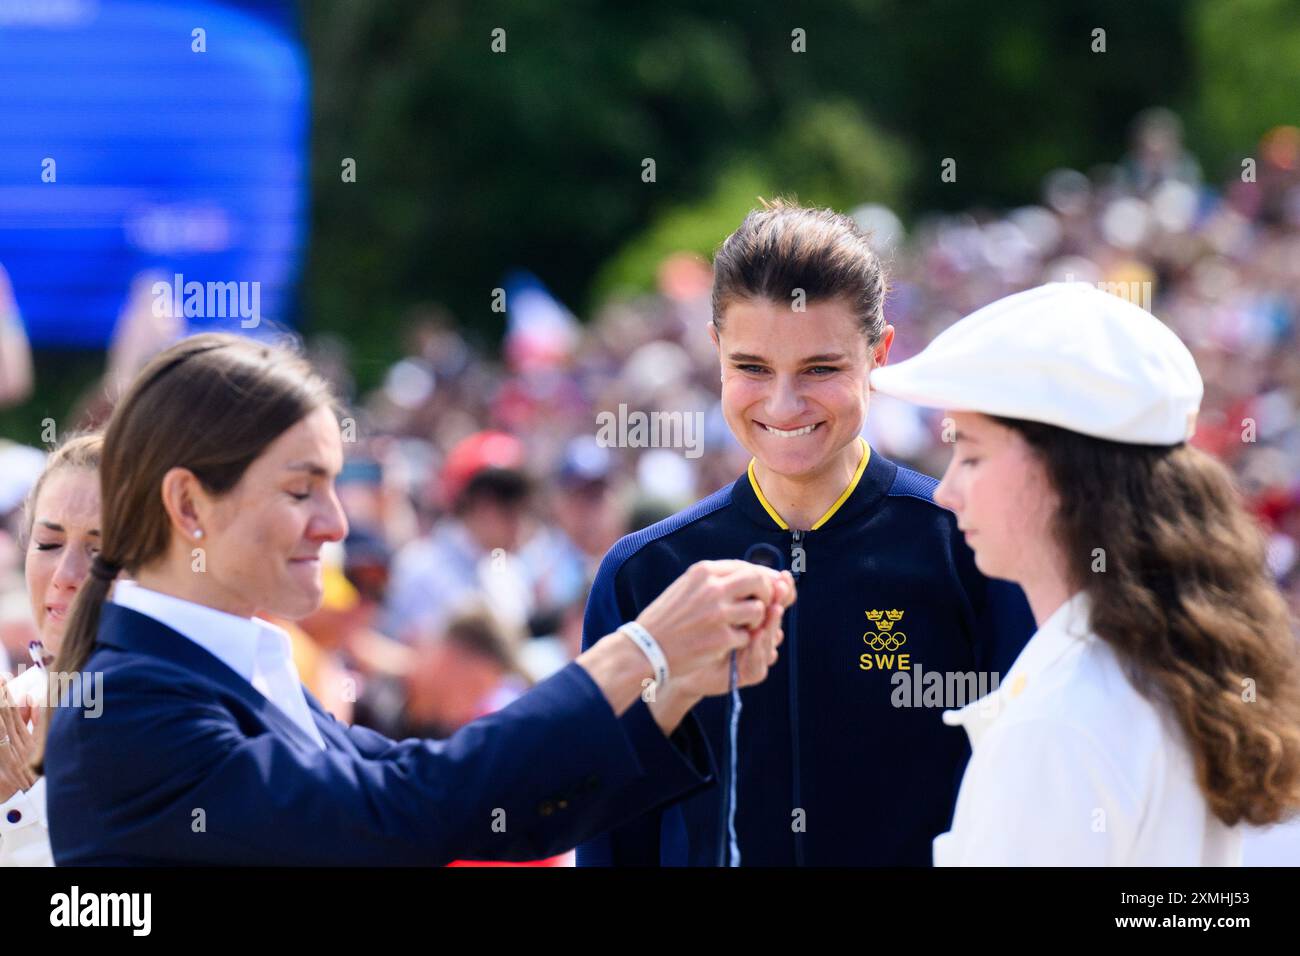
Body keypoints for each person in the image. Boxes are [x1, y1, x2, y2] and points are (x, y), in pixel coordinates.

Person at [37, 333, 795, 865]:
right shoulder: (132, 705)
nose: (335, 524)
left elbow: (482, 807)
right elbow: (412, 807)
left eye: (335, 486)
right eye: (302, 489)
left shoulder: (203, 672)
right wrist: (642, 650)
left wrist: (673, 682)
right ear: (190, 505)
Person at [578, 201, 1035, 866]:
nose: (784, 404)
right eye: (753, 368)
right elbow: (612, 833)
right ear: (716, 351)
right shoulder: (644, 573)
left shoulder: (972, 545)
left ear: (879, 354)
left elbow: (1031, 798)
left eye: (821, 368)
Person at [870, 281, 1300, 864]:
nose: (946, 492)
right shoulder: (1185, 667)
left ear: (1065, 475)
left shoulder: (1061, 720)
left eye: (971, 455)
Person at [0, 432, 102, 867]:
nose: (65, 574)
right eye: (48, 544)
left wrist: (20, 805)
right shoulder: (18, 702)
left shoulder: (192, 715)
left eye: (101, 551)